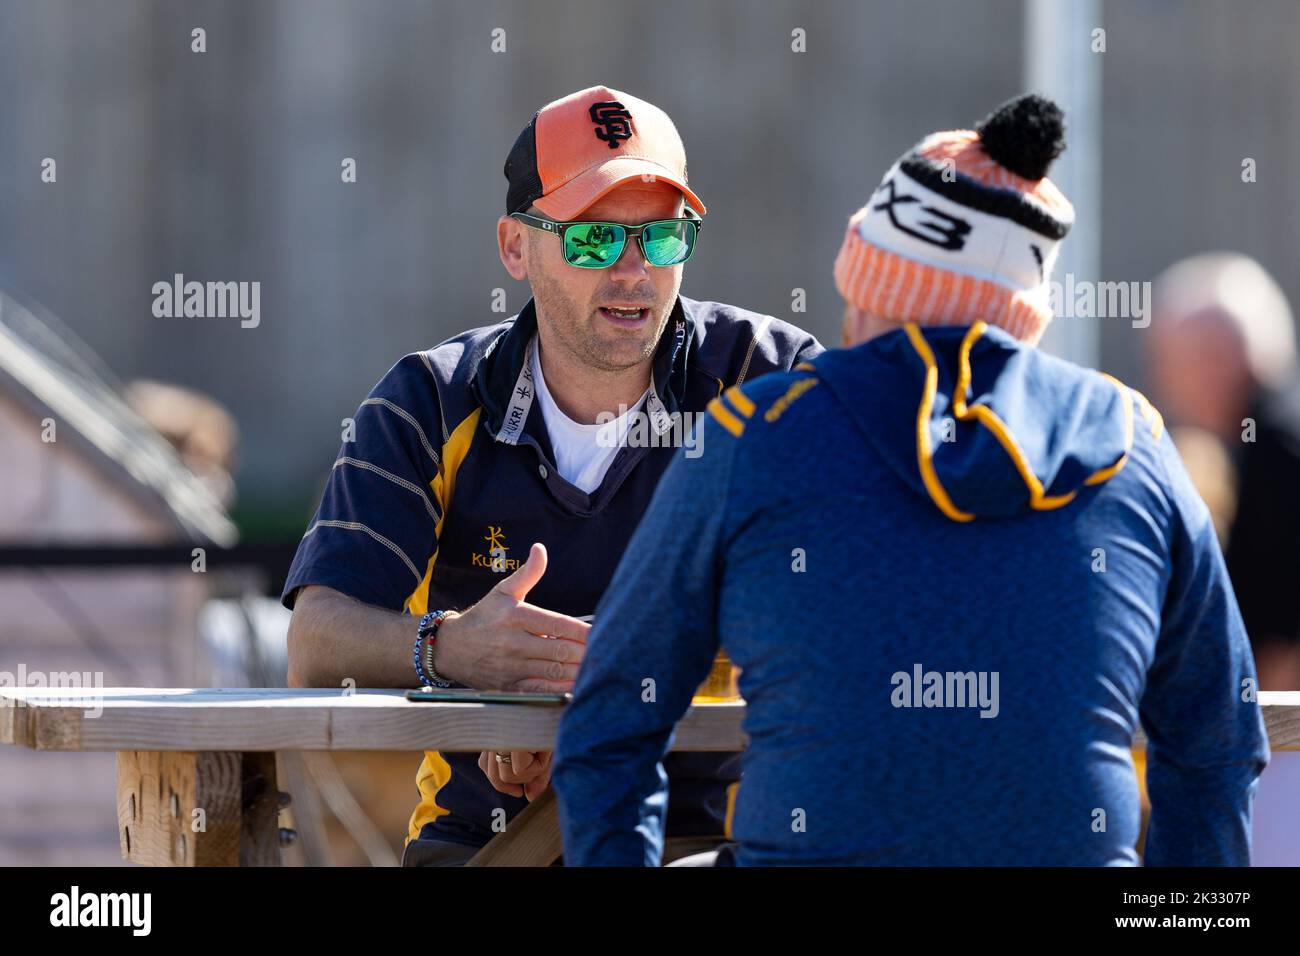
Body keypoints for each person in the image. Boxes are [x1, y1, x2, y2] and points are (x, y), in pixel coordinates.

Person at [553, 94, 1269, 866]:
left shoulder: (750, 435)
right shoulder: (1137, 440)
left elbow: (610, 723)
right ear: (1026, 315)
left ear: (868, 290)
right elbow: (1219, 744)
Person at [280, 85, 823, 866]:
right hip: (490, 839)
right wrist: (455, 654)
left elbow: (865, 600)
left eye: (663, 238)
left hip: (723, 839)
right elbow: (317, 641)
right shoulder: (427, 400)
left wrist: (572, 700)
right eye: (595, 241)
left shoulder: (773, 379)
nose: (635, 272)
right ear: (515, 246)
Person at [1147, 253, 1300, 690]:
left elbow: (1279, 635)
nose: (1162, 386)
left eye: (1168, 362)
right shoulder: (1256, 444)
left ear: (1218, 359)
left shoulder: (1280, 455)